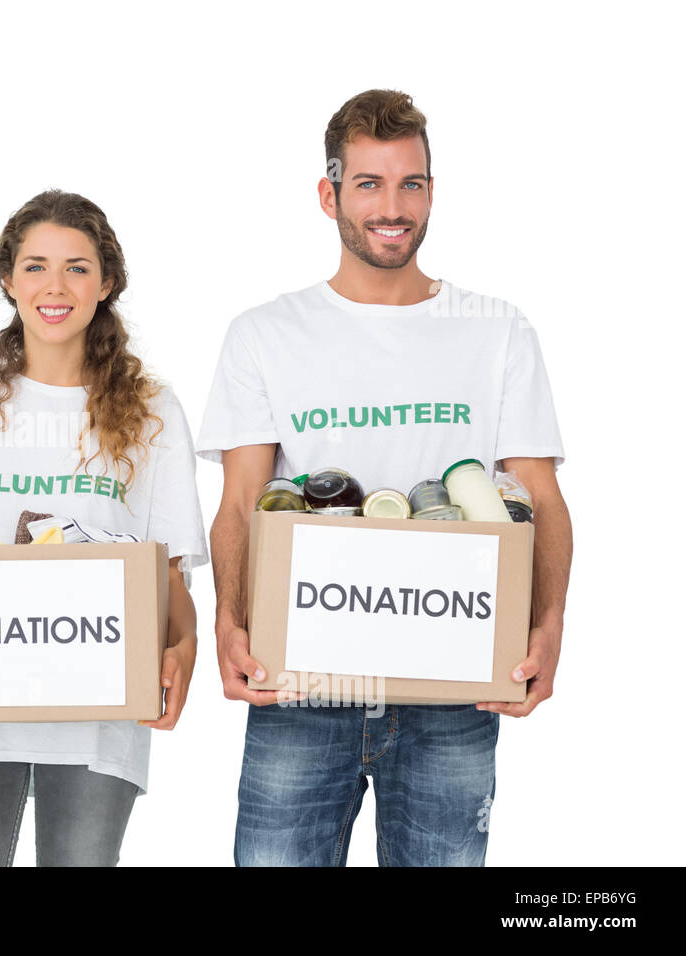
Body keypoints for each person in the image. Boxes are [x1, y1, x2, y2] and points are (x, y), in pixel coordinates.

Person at [197, 90, 572, 867]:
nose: (392, 207)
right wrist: (228, 618)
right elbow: (239, 503)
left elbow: (540, 497)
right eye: (368, 183)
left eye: (411, 184)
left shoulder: (496, 330)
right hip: (300, 681)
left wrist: (548, 625)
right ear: (329, 194)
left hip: (455, 686)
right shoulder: (265, 334)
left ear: (433, 191)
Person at [0, 190, 207, 867]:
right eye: (36, 266)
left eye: (78, 268)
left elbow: (168, 574)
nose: (56, 286)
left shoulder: (152, 412)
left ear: (106, 283)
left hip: (99, 722)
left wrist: (185, 646)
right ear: (6, 279)